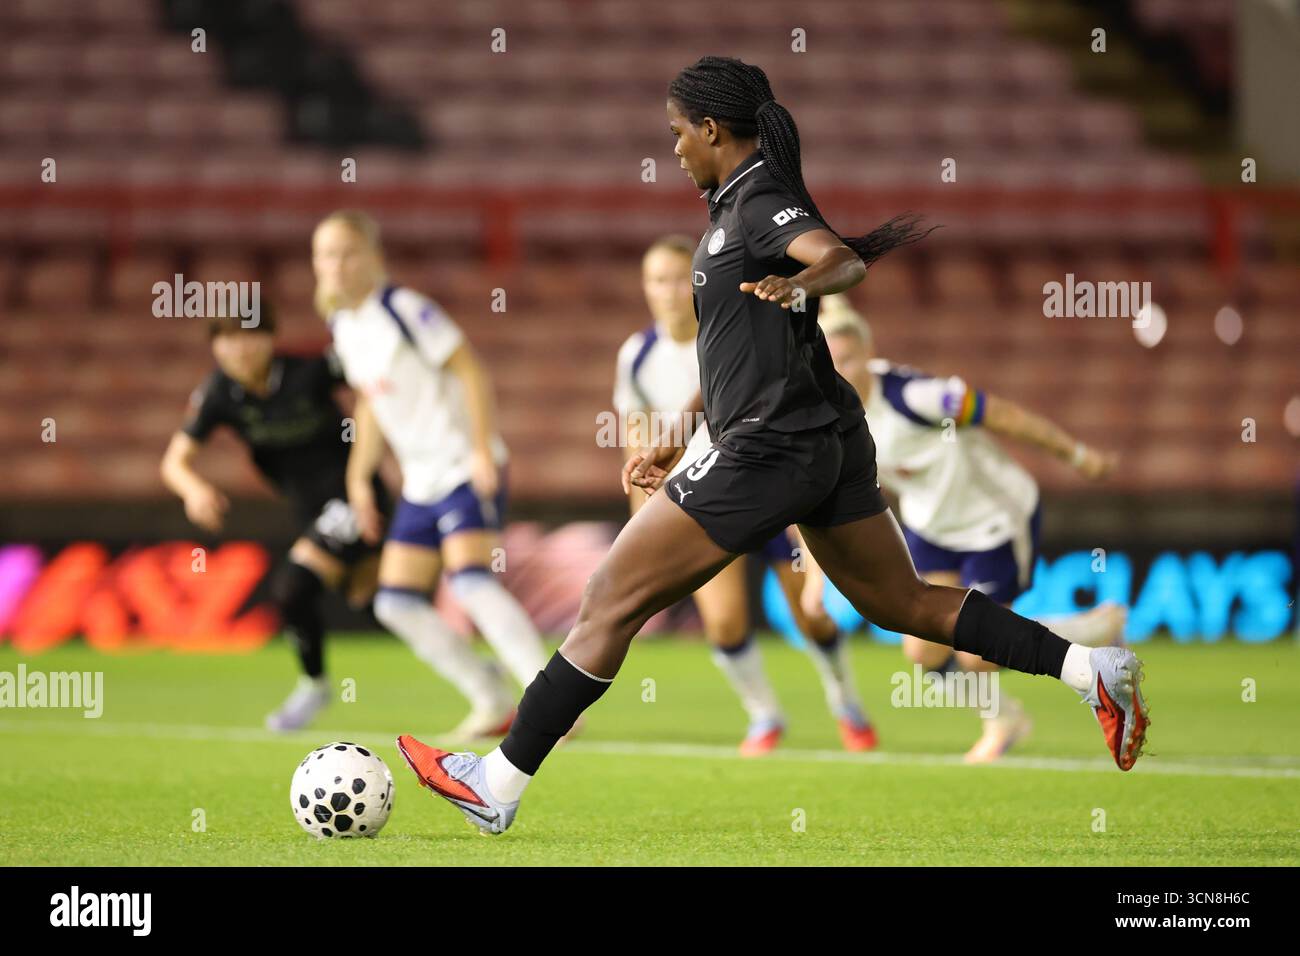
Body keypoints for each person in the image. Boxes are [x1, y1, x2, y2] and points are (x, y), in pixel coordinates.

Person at [397, 56, 1150, 835]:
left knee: (605, 602)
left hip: (770, 450)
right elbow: (734, 349)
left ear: (713, 129)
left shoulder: (759, 200)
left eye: (678, 134)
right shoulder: (731, 208)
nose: (675, 149)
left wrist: (802, 285)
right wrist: (679, 435)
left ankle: (498, 784)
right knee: (903, 603)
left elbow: (842, 260)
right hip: (820, 442)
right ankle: (1089, 668)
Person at [804, 295, 1127, 762]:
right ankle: (1003, 719)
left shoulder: (916, 397)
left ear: (868, 352)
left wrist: (1076, 455)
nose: (841, 369)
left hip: (994, 518)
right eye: (830, 361)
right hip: (932, 527)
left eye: (850, 357)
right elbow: (820, 500)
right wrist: (815, 580)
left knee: (979, 652)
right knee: (922, 652)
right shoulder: (832, 418)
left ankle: (1099, 628)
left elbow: (1004, 415)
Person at [616, 235, 874, 755]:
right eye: (656, 280)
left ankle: (845, 701)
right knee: (725, 622)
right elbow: (637, 433)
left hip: (771, 478)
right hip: (702, 499)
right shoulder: (637, 354)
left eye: (676, 278)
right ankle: (764, 715)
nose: (666, 291)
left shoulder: (732, 331)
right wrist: (639, 517)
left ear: (696, 281)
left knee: (811, 614)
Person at [312, 210, 549, 739]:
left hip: (463, 465)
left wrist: (483, 449)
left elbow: (469, 369)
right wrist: (358, 479)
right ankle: (491, 698)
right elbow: (372, 405)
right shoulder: (345, 328)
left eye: (347, 251)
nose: (336, 264)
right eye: (325, 254)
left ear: (372, 257)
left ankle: (551, 699)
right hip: (421, 481)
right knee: (395, 602)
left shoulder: (404, 310)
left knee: (469, 581)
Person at [160, 304, 383, 730]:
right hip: (309, 510)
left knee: (293, 586)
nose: (239, 348)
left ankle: (314, 687)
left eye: (249, 336)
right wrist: (195, 489)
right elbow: (174, 463)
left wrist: (362, 473)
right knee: (381, 603)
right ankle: (481, 673)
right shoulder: (218, 394)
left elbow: (373, 381)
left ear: (270, 339)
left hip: (355, 497)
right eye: (226, 338)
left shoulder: (310, 372)